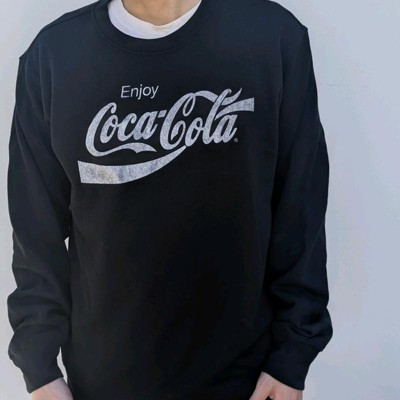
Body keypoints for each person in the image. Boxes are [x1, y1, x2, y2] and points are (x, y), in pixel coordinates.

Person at [6, 0, 333, 399]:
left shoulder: (273, 38)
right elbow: (34, 226)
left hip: (245, 378)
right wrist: (39, 368)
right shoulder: (54, 55)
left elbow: (301, 205)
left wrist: (293, 357)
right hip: (102, 381)